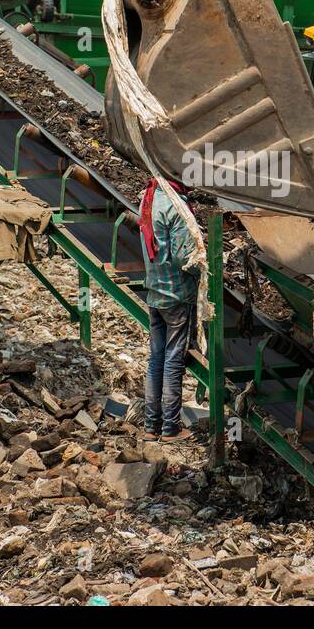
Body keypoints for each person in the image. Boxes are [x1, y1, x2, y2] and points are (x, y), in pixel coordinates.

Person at [139, 177, 199, 443]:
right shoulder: (177, 206)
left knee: (156, 360)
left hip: (154, 291)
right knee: (173, 361)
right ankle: (171, 428)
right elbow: (183, 257)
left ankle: (151, 427)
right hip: (176, 295)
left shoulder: (148, 197)